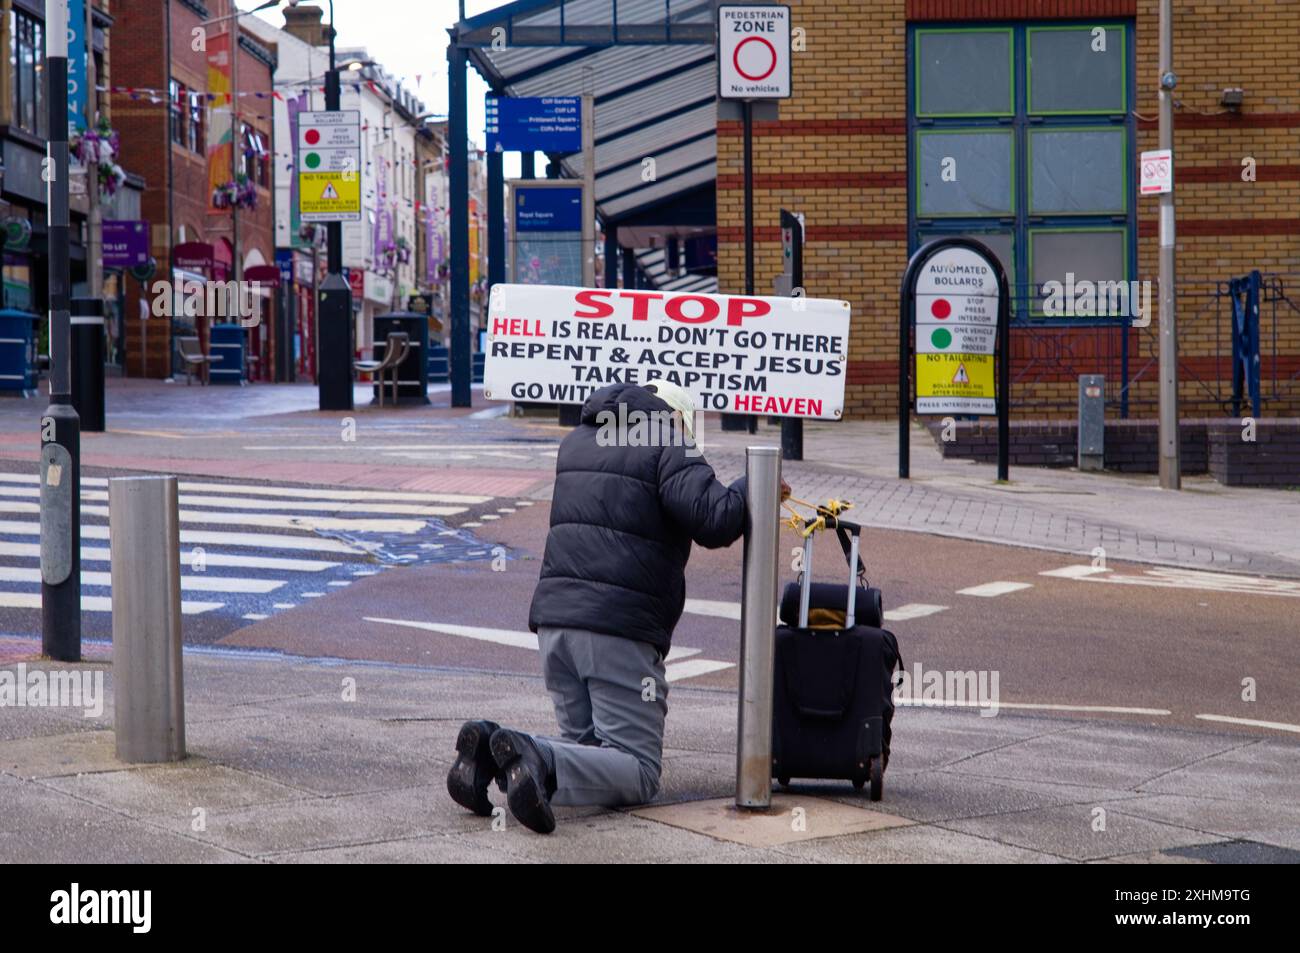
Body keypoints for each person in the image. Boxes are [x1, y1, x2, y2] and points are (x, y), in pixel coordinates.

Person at [447, 381, 785, 833]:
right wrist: (753, 486)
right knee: (639, 770)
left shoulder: (578, 442)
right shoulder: (668, 440)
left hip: (554, 627)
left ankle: (490, 755)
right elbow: (714, 518)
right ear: (678, 417)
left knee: (588, 753)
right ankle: (535, 754)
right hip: (617, 633)